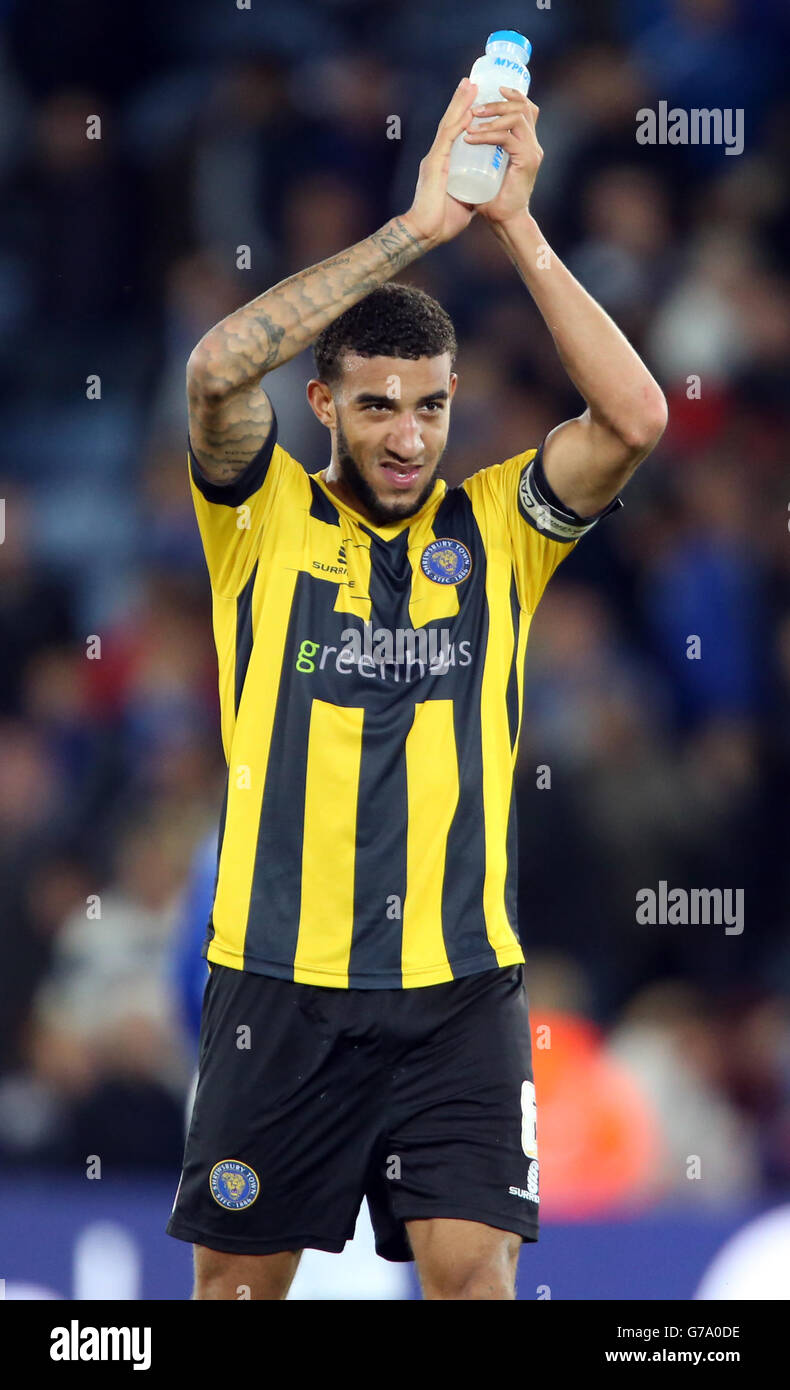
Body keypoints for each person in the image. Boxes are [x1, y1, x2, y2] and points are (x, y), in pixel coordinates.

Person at [166, 77, 667, 1300]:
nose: (407, 436)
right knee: (234, 1293)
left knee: (475, 1280)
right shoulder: (264, 516)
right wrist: (420, 227)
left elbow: (635, 417)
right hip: (278, 982)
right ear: (323, 403)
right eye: (377, 405)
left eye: (432, 406)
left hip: (458, 989)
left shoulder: (501, 526)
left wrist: (518, 227)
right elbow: (219, 366)